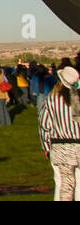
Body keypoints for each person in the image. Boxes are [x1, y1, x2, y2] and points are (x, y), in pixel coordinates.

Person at [38, 66, 80, 201]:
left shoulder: (51, 100)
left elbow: (44, 125)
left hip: (60, 147)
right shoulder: (77, 100)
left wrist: (46, 147)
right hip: (78, 145)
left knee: (64, 184)